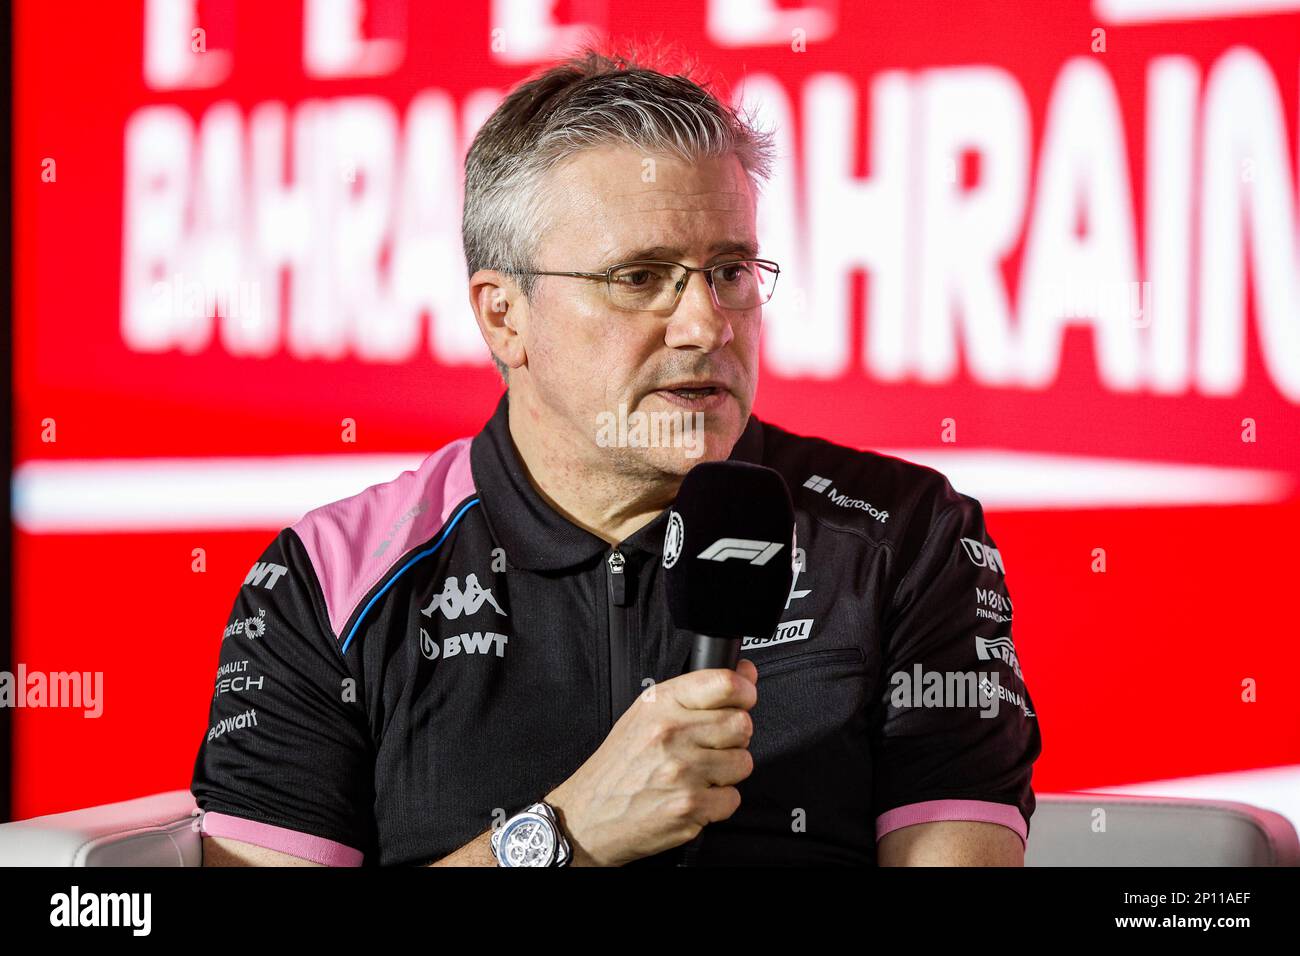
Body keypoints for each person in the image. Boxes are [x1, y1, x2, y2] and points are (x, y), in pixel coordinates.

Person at [192, 45, 1041, 867]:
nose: (707, 326)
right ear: (504, 316)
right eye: (639, 278)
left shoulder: (907, 538)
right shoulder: (328, 580)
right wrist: (564, 837)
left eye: (731, 271)